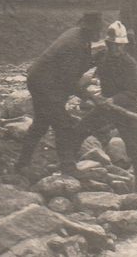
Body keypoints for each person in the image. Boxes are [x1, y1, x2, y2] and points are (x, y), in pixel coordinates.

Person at [15, 12, 104, 174]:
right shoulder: (75, 44)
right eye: (96, 30)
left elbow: (74, 68)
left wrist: (94, 61)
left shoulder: (78, 36)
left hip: (44, 81)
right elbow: (68, 80)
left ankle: (22, 163)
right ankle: (68, 167)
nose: (99, 34)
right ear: (89, 30)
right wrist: (89, 97)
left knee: (41, 124)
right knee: (63, 125)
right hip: (44, 85)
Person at [72, 21, 137, 193]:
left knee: (135, 149)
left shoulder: (130, 64)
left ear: (124, 45)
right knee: (79, 130)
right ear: (108, 44)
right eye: (113, 46)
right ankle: (69, 168)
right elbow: (85, 68)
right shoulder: (102, 58)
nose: (117, 50)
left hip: (127, 110)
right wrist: (84, 82)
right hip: (106, 107)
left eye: (120, 46)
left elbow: (133, 92)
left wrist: (114, 100)